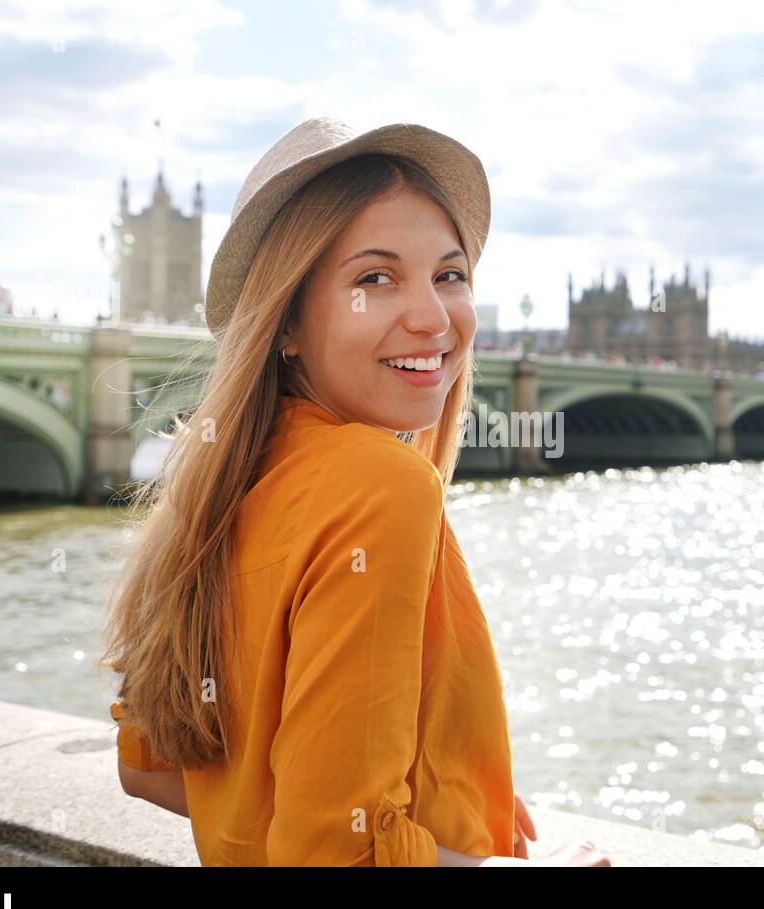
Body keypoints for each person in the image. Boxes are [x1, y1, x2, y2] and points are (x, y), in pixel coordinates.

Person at [100, 117, 610, 868]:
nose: (433, 318)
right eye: (375, 278)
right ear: (287, 324)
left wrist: (433, 787)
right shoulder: (381, 486)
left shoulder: (224, 481)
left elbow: (148, 769)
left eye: (450, 274)